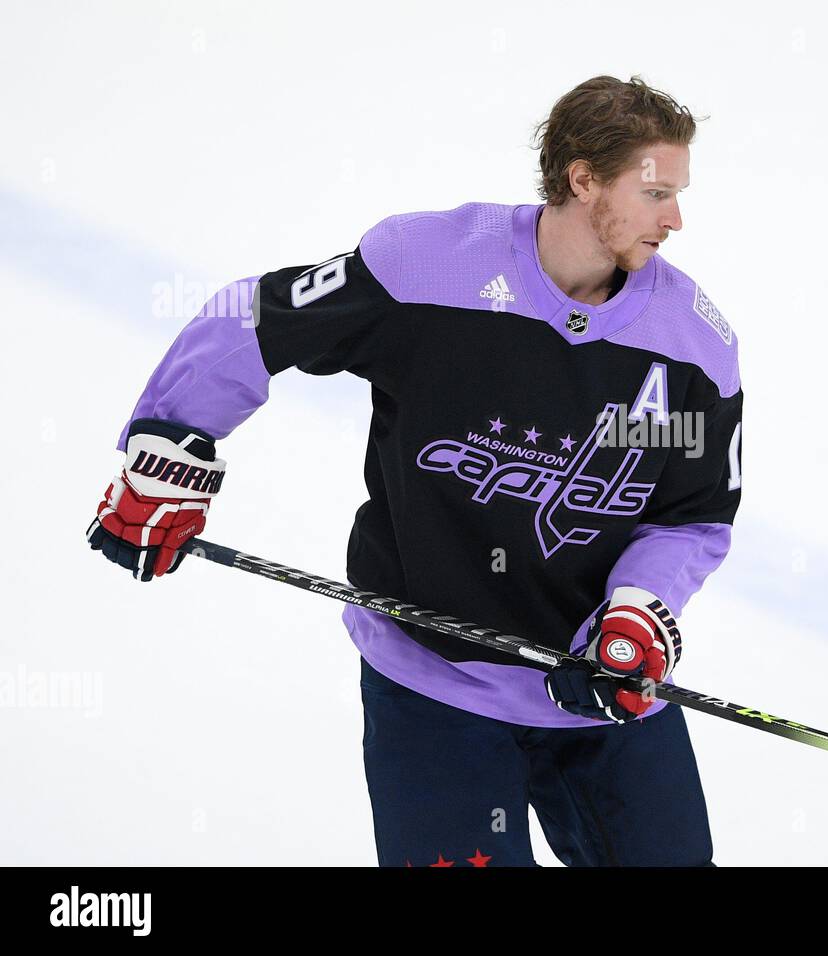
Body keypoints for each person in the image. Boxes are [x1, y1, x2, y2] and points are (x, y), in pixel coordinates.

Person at [86, 74, 743, 867]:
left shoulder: (692, 347)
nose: (676, 219)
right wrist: (167, 457)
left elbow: (692, 515)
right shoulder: (429, 267)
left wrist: (638, 609)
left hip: (600, 694)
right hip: (433, 691)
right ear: (582, 178)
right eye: (656, 192)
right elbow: (254, 321)